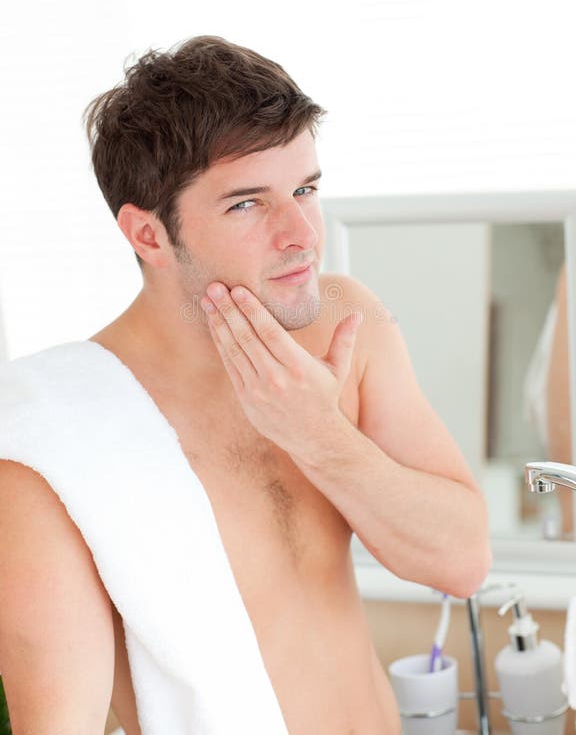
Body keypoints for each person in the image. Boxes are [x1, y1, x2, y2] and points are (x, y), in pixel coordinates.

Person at [0, 36, 491, 735]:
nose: (301, 233)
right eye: (247, 204)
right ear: (148, 235)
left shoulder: (343, 321)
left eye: (305, 189)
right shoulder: (55, 444)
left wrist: (320, 437)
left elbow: (462, 561)